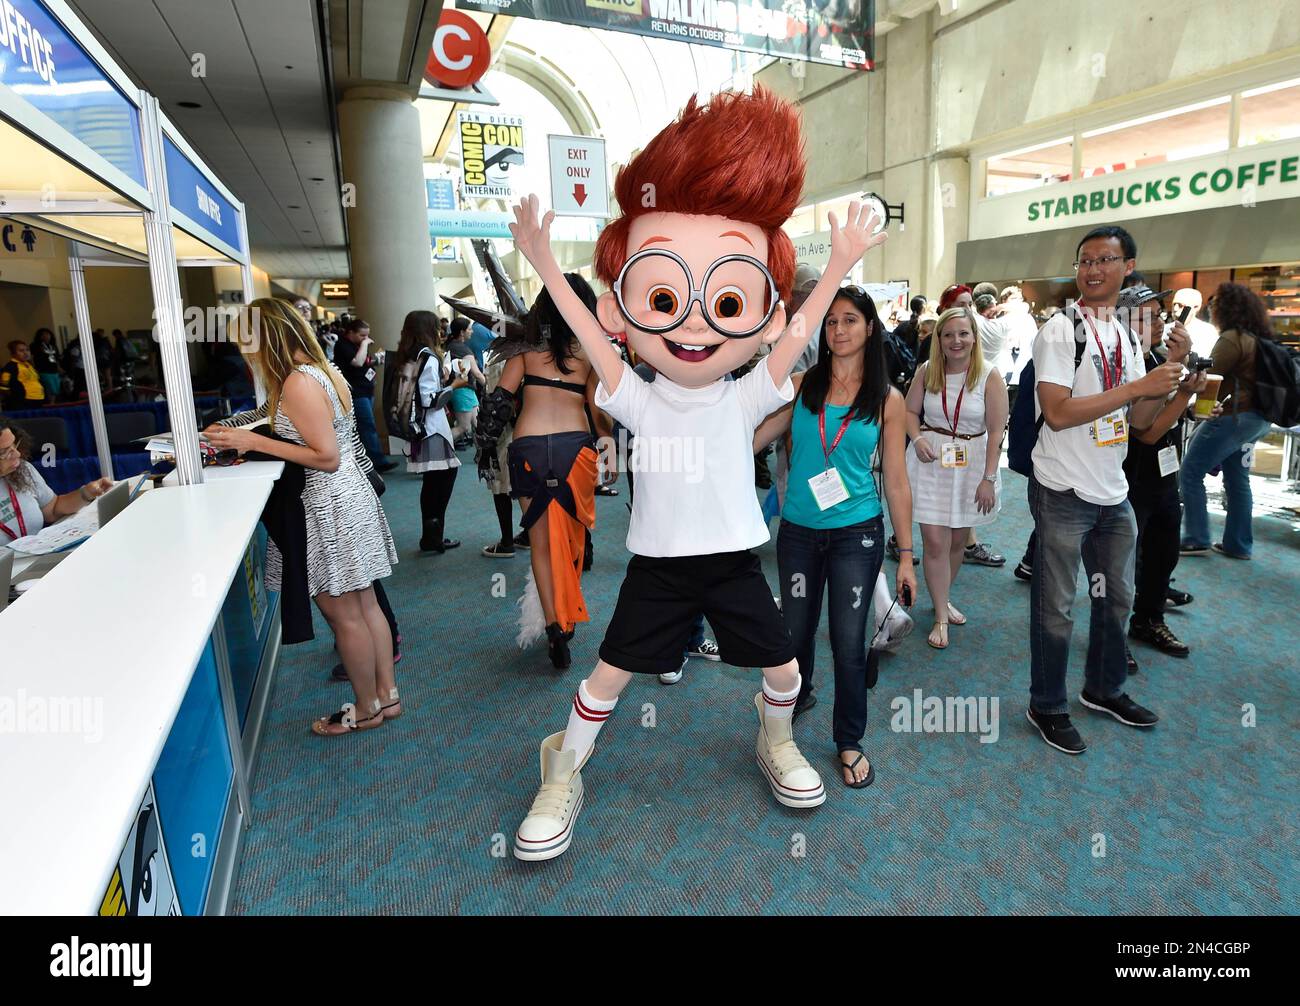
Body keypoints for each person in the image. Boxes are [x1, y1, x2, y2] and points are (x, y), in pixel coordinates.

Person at [507, 88, 883, 861]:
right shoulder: (637, 398)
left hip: (734, 564)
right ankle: (561, 773)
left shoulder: (745, 392)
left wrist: (841, 262)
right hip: (659, 571)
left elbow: (797, 338)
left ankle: (774, 741)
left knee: (783, 673)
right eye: (666, 298)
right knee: (605, 682)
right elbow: (589, 335)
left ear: (763, 313)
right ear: (624, 309)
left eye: (728, 300)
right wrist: (546, 264)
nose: (693, 324)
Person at [204, 299, 399, 737]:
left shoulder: (297, 381)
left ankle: (366, 708)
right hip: (346, 497)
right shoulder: (320, 370)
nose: (246, 354)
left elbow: (324, 457)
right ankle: (386, 695)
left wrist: (253, 443)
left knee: (342, 612)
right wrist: (245, 431)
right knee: (365, 605)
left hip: (329, 502)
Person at [1025, 225, 1184, 755]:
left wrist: (1175, 381)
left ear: (1128, 266)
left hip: (1112, 491)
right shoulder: (1059, 331)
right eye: (1085, 260)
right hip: (1062, 490)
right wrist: (1136, 387)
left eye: (1105, 260)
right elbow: (1057, 411)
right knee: (1056, 607)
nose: (1092, 269)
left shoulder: (1124, 335)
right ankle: (1047, 704)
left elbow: (1140, 422)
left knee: (1117, 598)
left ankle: (1104, 688)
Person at [754, 284, 916, 787]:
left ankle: (849, 740)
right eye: (831, 322)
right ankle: (794, 702)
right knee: (794, 635)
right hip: (799, 532)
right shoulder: (803, 385)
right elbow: (754, 438)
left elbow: (895, 477)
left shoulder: (887, 400)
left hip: (857, 533)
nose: (839, 330)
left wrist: (906, 556)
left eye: (850, 320)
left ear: (870, 327)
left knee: (848, 641)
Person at [493, 275, 608, 669]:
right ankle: (568, 614)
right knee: (574, 538)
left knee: (540, 544)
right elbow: (598, 411)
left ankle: (555, 626)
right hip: (574, 450)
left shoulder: (524, 346)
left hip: (527, 447)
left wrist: (485, 446)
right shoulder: (592, 349)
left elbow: (500, 400)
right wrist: (610, 446)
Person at [905, 306, 1007, 649]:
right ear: (938, 339)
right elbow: (908, 411)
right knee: (934, 542)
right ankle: (940, 615)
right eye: (948, 334)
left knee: (957, 542)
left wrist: (989, 478)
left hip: (971, 466)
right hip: (930, 462)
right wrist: (917, 438)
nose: (956, 340)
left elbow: (996, 432)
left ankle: (942, 596)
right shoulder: (926, 371)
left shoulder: (989, 375)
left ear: (974, 338)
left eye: (963, 333)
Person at [1116, 281, 1203, 659]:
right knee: (1123, 564)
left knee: (1164, 552)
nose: (1159, 324)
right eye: (1148, 317)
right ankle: (1113, 636)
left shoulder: (1152, 359)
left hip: (1164, 474)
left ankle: (1149, 618)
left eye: (1159, 316)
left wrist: (1187, 399)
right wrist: (1182, 390)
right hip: (1133, 474)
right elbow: (1146, 432)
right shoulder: (1128, 365)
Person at [1179, 282, 1278, 560]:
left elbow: (1209, 372)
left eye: (1215, 304)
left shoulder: (1232, 338)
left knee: (1190, 471)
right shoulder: (1258, 338)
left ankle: (1196, 537)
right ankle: (1238, 544)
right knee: (1237, 479)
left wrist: (1182, 357)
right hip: (1257, 419)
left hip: (1232, 416)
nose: (1211, 309)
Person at [392, 310, 467, 553]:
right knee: (442, 481)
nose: (440, 331)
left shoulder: (407, 355)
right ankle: (433, 538)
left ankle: (431, 536)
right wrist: (454, 385)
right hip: (432, 428)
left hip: (417, 428)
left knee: (432, 483)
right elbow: (430, 400)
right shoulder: (429, 357)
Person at [1, 417, 113, 544]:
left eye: (15, 444)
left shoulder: (22, 470)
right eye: (5, 452)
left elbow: (52, 509)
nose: (17, 454)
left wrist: (86, 493)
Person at [336, 317, 395, 472]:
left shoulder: (355, 345)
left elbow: (365, 362)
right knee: (367, 426)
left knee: (366, 426)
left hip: (366, 390)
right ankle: (378, 461)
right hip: (356, 393)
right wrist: (364, 345)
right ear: (351, 333)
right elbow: (357, 362)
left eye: (367, 335)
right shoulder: (342, 345)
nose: (366, 339)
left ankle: (371, 460)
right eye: (362, 335)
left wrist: (376, 361)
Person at [446, 318, 485, 449]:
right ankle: (437, 448)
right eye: (469, 329)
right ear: (462, 332)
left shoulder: (451, 345)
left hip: (463, 390)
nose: (472, 331)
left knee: (477, 423)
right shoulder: (463, 350)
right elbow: (476, 373)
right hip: (463, 390)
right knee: (463, 427)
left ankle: (483, 454)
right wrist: (489, 385)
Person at [1171, 288, 1219, 360]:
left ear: (1196, 307)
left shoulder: (1208, 332)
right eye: (1174, 304)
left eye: (1180, 305)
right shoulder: (1163, 329)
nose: (1175, 309)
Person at [1, 342, 46, 408]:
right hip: (25, 402)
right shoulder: (10, 367)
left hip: (39, 399)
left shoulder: (29, 365)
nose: (25, 353)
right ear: (13, 354)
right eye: (21, 351)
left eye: (27, 350)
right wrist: (17, 399)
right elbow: (4, 388)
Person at [891, 294, 927, 361]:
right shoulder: (925, 326)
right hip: (917, 362)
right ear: (924, 308)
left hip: (903, 362)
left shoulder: (902, 325)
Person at [30, 329, 63, 402]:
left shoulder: (53, 346)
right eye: (43, 334)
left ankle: (53, 404)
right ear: (40, 336)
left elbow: (56, 358)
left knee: (56, 390)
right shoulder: (35, 345)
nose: (46, 336)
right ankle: (50, 405)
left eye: (48, 334)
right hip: (44, 370)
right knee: (49, 389)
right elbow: (32, 358)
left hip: (54, 370)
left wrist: (59, 368)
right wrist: (34, 369)